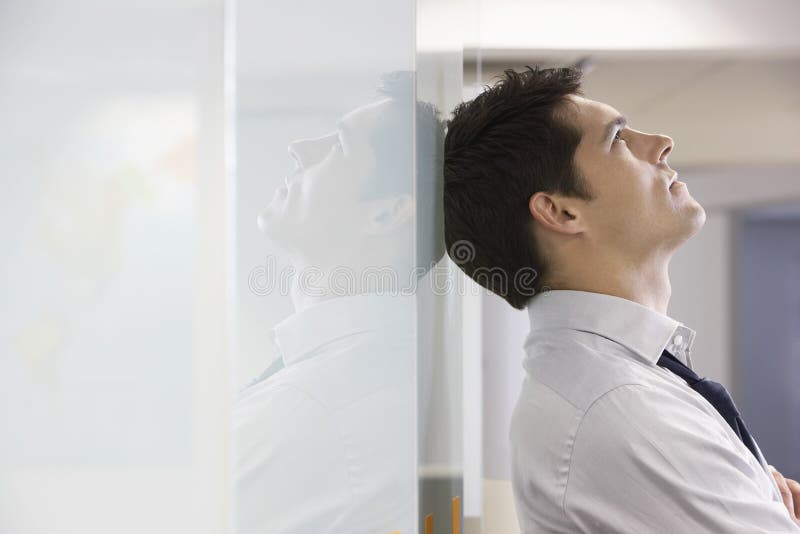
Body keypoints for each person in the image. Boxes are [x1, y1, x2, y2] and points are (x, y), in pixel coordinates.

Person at [442, 65, 800, 532]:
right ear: (560, 211)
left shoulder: (620, 386)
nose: (661, 142)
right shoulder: (625, 408)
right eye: (618, 139)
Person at [231, 71, 445, 534]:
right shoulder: (382, 376)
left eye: (339, 145)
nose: (299, 148)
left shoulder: (310, 408)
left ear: (386, 213)